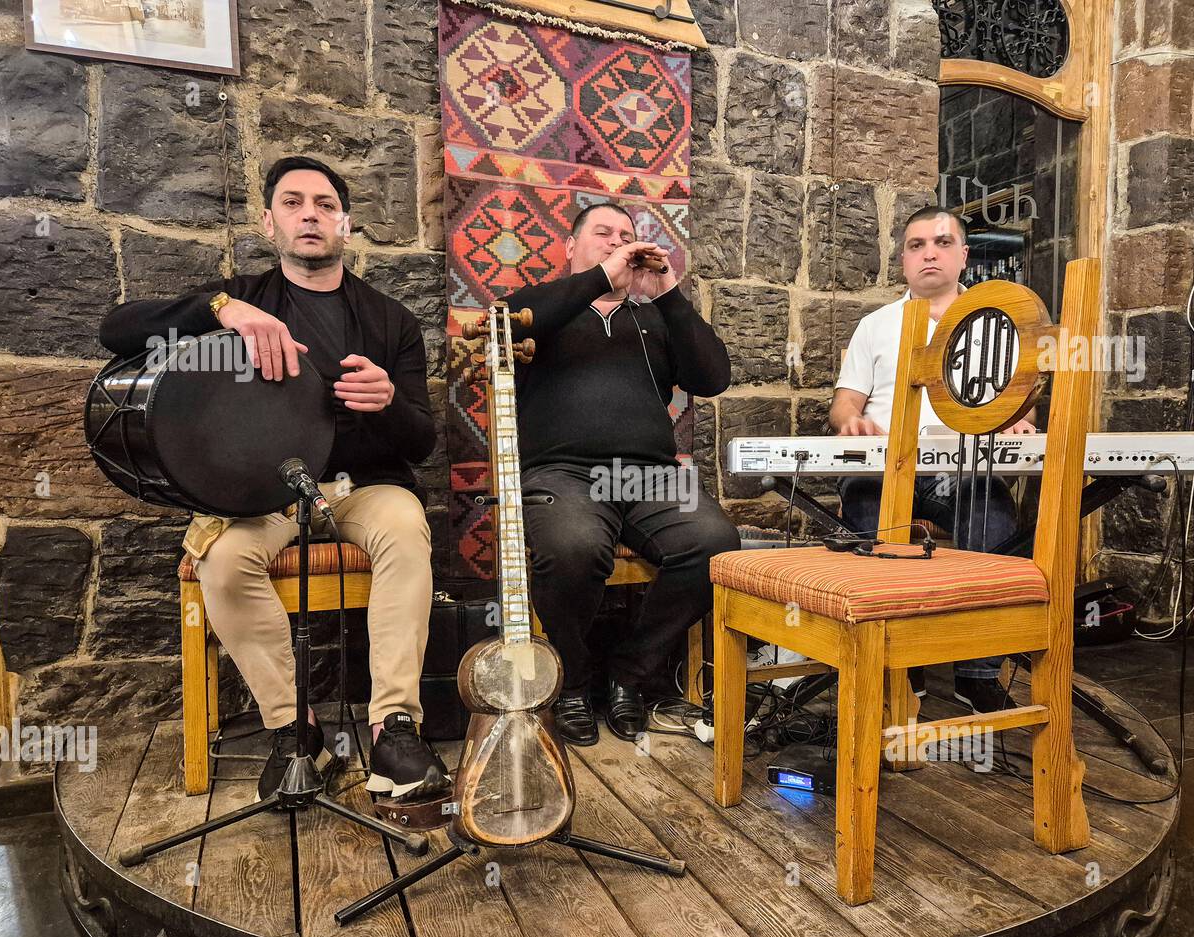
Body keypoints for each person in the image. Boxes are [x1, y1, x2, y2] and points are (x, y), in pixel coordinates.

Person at [99, 156, 449, 801]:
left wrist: (389, 403)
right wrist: (220, 309)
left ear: (345, 224)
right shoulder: (242, 299)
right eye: (293, 203)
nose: (309, 215)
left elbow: (421, 443)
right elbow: (115, 329)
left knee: (406, 527)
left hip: (362, 488)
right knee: (223, 559)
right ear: (269, 222)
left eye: (324, 204)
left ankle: (393, 728)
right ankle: (294, 729)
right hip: (264, 495)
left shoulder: (391, 319)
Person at [502, 202, 741, 746]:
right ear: (570, 248)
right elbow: (509, 324)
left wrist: (667, 294)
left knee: (714, 544)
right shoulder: (539, 310)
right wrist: (600, 280)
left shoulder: (654, 317)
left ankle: (629, 675)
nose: (617, 242)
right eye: (603, 233)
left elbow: (713, 377)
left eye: (626, 235)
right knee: (572, 549)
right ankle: (572, 681)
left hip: (650, 476)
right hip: (562, 473)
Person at [828, 206, 1034, 713]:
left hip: (961, 470)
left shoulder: (997, 324)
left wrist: (1017, 419)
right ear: (903, 260)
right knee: (867, 511)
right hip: (883, 466)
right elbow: (844, 403)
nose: (929, 254)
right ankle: (898, 666)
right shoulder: (875, 325)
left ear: (964, 255)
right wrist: (851, 420)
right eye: (916, 245)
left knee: (993, 514)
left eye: (942, 243)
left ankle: (978, 672)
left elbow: (1018, 401)